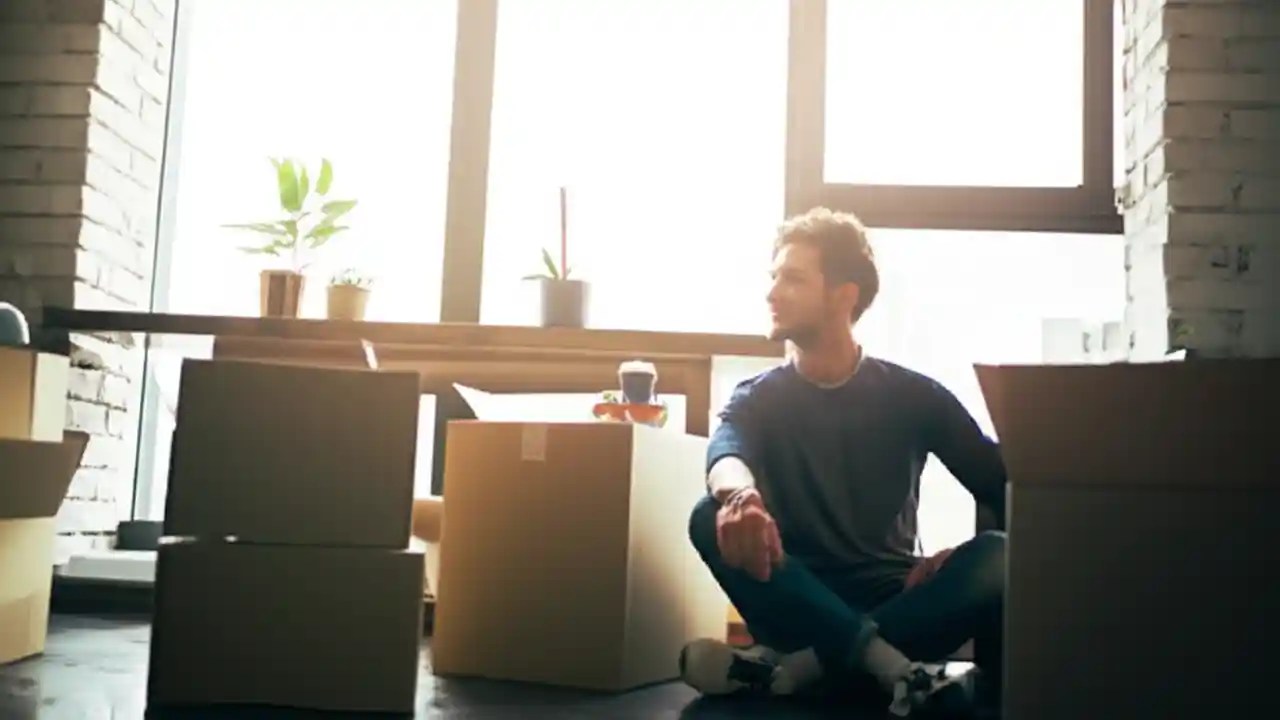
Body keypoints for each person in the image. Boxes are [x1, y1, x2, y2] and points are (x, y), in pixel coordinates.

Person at [678, 207, 1006, 718]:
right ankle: (882, 665)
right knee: (707, 514)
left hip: (898, 601)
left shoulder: (914, 395)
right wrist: (739, 497)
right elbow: (726, 450)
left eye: (792, 278)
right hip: (793, 596)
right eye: (773, 278)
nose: (772, 293)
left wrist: (957, 554)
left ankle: (797, 671)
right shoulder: (758, 397)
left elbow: (997, 479)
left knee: (998, 554)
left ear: (843, 295)